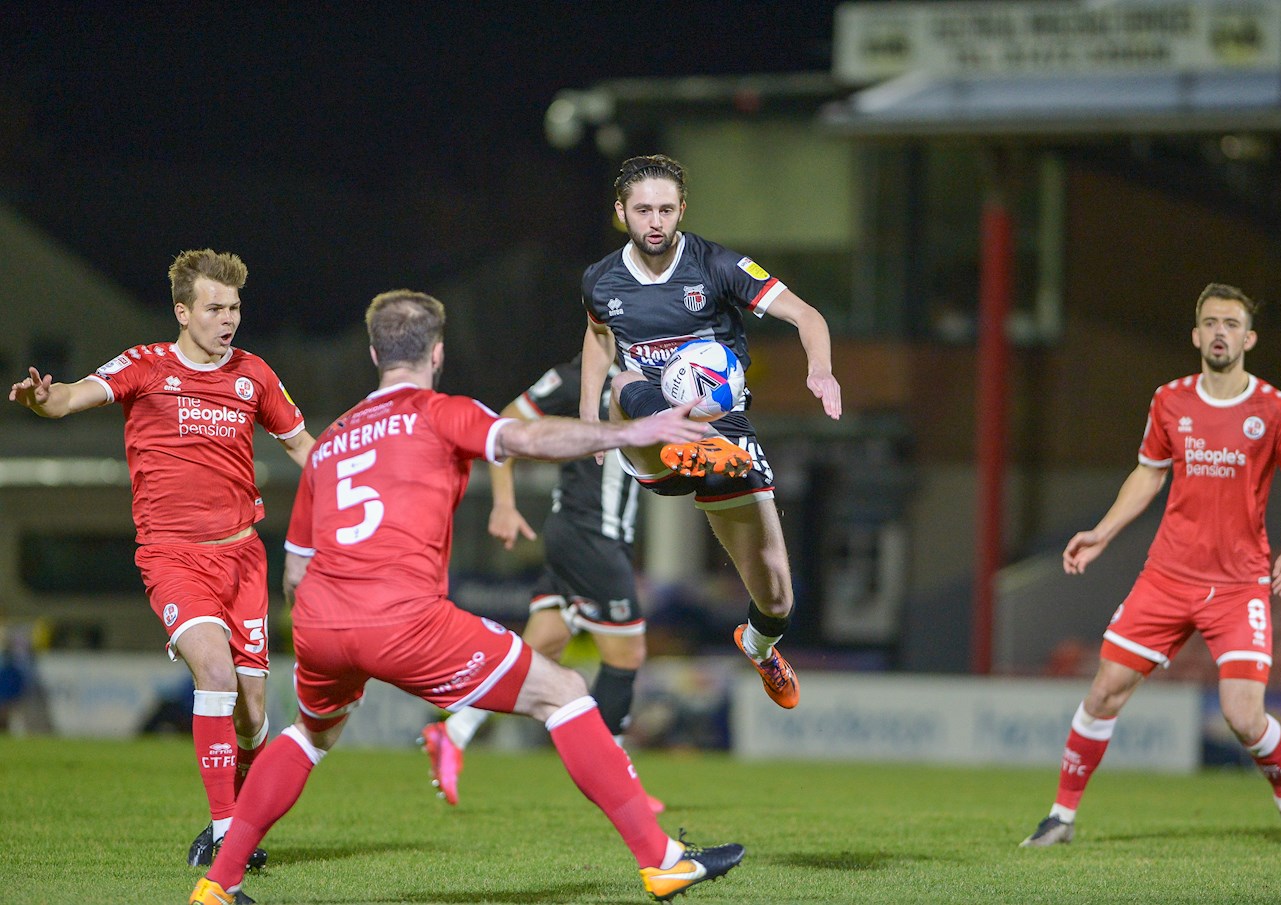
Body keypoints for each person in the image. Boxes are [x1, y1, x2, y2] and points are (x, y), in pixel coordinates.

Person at [191, 290, 743, 905]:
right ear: (439, 352)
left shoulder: (332, 442)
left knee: (308, 736)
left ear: (375, 353)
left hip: (321, 620)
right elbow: (530, 439)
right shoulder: (439, 411)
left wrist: (334, 628)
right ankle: (661, 860)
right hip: (404, 618)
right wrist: (634, 430)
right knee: (563, 693)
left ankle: (218, 885)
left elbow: (295, 571)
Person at [9, 249, 313, 869]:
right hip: (173, 558)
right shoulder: (144, 366)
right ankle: (228, 831)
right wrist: (43, 399)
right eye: (214, 308)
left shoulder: (254, 374)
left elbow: (304, 445)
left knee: (256, 716)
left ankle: (236, 821)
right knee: (216, 676)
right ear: (182, 311)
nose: (228, 320)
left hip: (245, 560)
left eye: (234, 308)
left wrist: (354, 483)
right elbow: (69, 399)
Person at [1020, 283, 1281, 850]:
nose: (1219, 332)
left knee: (1243, 717)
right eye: (1210, 322)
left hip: (1238, 585)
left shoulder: (1277, 410)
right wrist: (1103, 532)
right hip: (1167, 576)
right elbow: (1148, 474)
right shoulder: (1170, 401)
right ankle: (1060, 817)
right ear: (1195, 334)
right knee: (1104, 689)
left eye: (1231, 324)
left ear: (1248, 338)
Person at [579, 154, 842, 710]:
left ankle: (758, 644)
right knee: (627, 379)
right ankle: (680, 441)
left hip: (724, 434)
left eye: (666, 210)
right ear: (621, 212)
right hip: (650, 432)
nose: (655, 221)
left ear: (681, 211)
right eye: (643, 209)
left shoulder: (717, 265)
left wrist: (819, 368)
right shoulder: (602, 281)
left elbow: (807, 315)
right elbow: (601, 341)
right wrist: (590, 425)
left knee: (776, 597)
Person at [421, 356, 665, 813]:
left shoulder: (648, 373)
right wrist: (504, 503)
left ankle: (452, 731)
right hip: (591, 536)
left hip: (584, 534)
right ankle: (616, 785)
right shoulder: (579, 376)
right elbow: (504, 424)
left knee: (539, 652)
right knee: (626, 655)